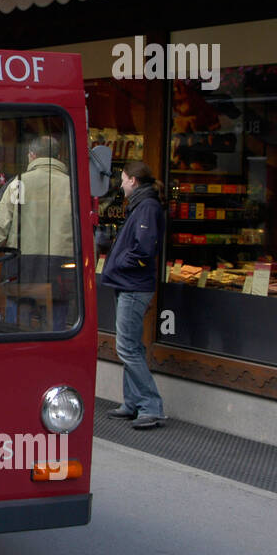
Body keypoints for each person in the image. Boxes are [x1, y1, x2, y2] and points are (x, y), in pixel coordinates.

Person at [0, 134, 76, 328]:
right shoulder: (72, 188)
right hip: (60, 274)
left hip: (21, 272)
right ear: (58, 157)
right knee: (56, 337)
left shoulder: (17, 184)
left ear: (31, 155)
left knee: (18, 336)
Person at [101, 160, 167, 429]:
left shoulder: (146, 208)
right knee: (131, 346)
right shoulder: (142, 206)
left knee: (127, 347)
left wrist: (118, 263)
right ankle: (133, 403)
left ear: (134, 182)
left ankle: (151, 405)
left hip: (133, 286)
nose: (121, 184)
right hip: (130, 283)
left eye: (124, 179)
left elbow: (144, 249)